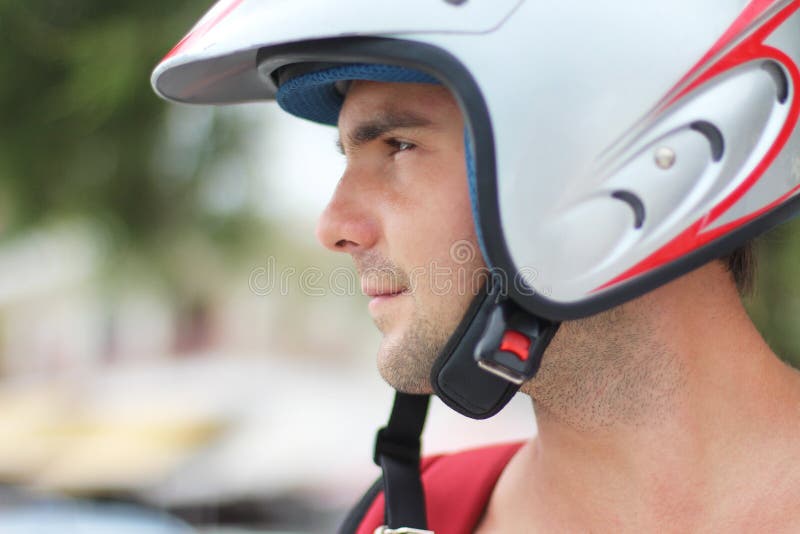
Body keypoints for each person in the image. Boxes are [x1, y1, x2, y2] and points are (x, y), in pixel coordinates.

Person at [152, 1, 800, 531]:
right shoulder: (411, 516)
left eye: (397, 145)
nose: (333, 227)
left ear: (620, 160)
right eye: (346, 158)